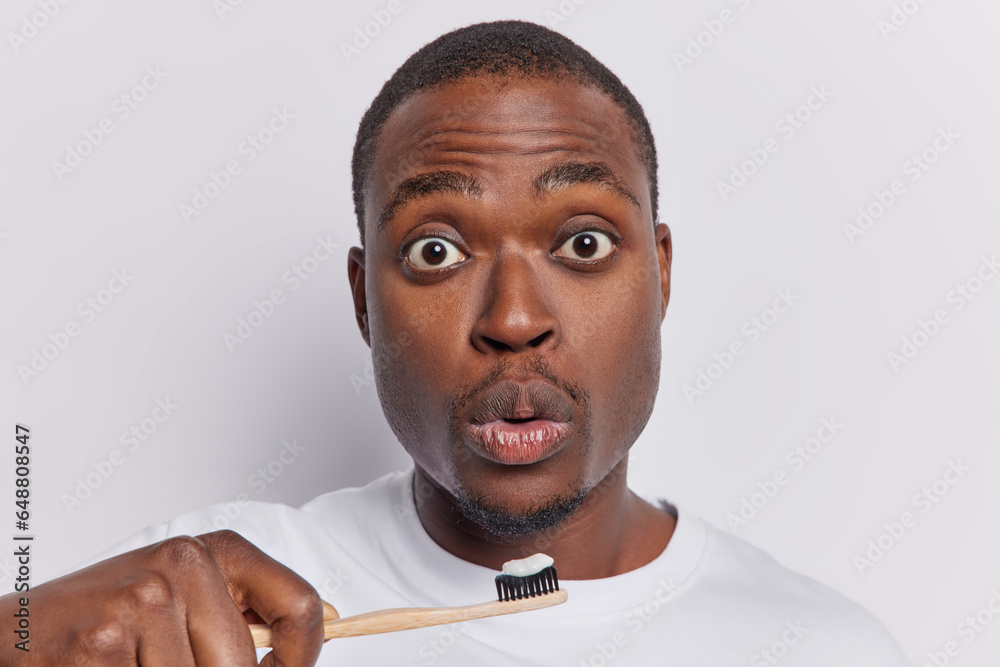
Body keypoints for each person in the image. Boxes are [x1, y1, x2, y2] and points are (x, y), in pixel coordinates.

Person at [3, 20, 909, 665]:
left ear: (660, 274)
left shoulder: (826, 648)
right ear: (365, 301)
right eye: (436, 250)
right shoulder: (192, 605)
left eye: (582, 243)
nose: (513, 319)